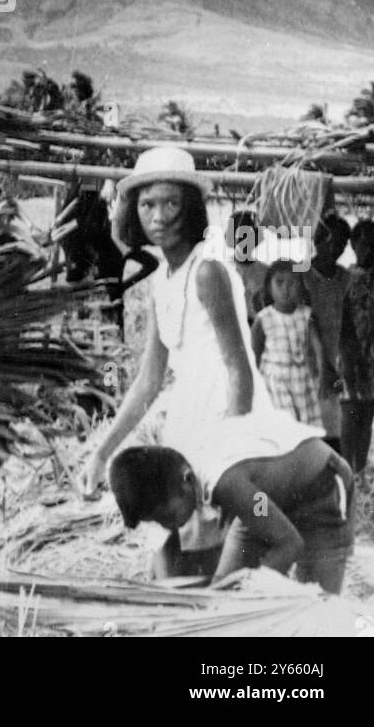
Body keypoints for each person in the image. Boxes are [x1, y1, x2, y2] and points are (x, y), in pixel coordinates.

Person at [81, 147, 273, 494]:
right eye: (147, 204)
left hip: (227, 419)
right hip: (189, 416)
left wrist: (231, 452)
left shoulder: (206, 271)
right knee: (177, 536)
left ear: (191, 209)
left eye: (171, 204)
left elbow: (237, 368)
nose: (159, 217)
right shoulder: (163, 279)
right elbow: (149, 380)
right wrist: (102, 453)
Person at [109, 423, 354, 594]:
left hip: (321, 491)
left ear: (188, 480)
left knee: (311, 609)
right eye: (159, 522)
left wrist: (253, 590)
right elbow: (258, 506)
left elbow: (289, 544)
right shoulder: (177, 467)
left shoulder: (227, 484)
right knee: (223, 598)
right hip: (262, 504)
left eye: (168, 516)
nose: (169, 526)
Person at [251, 261, 323, 426]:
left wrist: (323, 376)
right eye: (279, 282)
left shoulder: (306, 315)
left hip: (301, 379)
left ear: (301, 286)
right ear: (269, 287)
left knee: (306, 427)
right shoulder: (264, 318)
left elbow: (318, 348)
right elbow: (254, 353)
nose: (285, 289)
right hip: (275, 381)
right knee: (284, 425)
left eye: (292, 283)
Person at [306, 212, 351, 453]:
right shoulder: (303, 273)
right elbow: (307, 320)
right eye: (335, 241)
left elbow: (347, 323)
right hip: (306, 364)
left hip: (330, 365)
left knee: (332, 439)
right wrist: (325, 367)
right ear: (319, 240)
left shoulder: (344, 277)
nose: (339, 249)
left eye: (343, 244)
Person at [340, 219, 374, 475]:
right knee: (350, 409)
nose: (369, 250)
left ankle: (360, 470)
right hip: (351, 352)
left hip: (372, 355)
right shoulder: (347, 277)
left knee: (367, 411)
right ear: (353, 245)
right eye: (363, 244)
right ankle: (347, 470)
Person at [226, 208, 267, 324]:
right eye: (241, 236)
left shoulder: (265, 272)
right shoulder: (222, 269)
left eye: (250, 236)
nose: (244, 241)